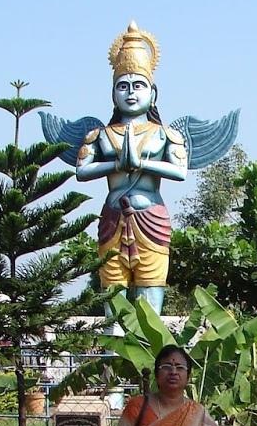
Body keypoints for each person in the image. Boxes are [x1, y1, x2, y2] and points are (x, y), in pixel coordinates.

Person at [75, 23, 188, 315]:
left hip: (151, 218)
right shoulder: (100, 135)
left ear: (153, 93)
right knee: (113, 295)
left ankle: (149, 343)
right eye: (123, 86)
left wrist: (142, 163)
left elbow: (180, 171)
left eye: (139, 85)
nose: (131, 93)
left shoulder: (165, 135)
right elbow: (81, 171)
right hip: (113, 218)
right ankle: (114, 344)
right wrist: (116, 164)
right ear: (113, 93)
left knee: (150, 297)